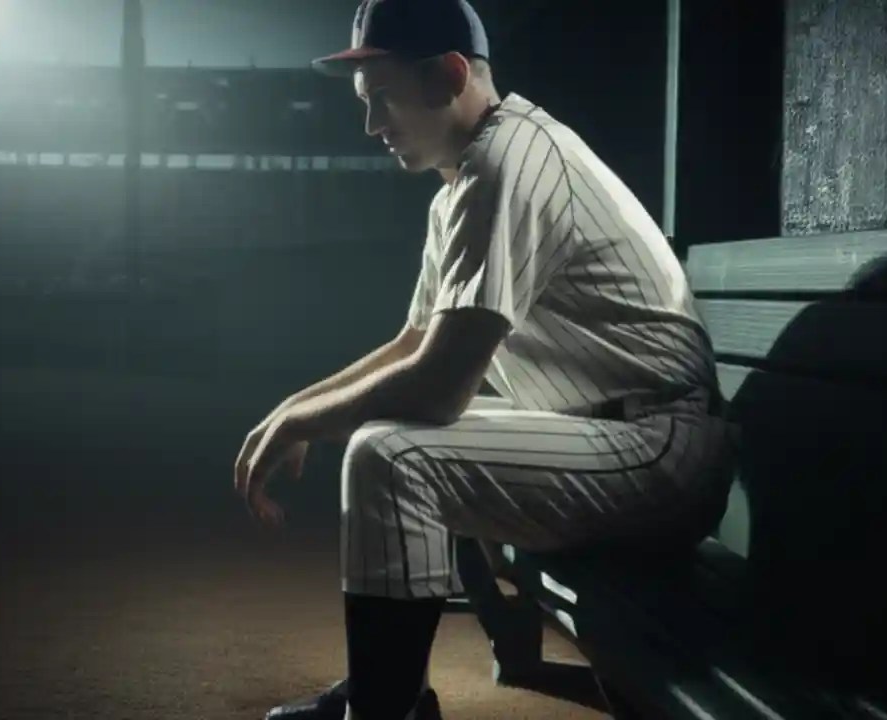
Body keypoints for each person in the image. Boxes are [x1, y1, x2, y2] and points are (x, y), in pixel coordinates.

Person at [233, 1, 735, 718]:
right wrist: (296, 407)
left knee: (392, 457)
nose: (371, 124)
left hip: (660, 450)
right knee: (389, 442)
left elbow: (438, 387)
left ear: (448, 75)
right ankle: (390, 694)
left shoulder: (507, 162)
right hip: (612, 432)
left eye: (383, 98)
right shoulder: (465, 179)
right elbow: (415, 343)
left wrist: (303, 423)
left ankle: (384, 707)